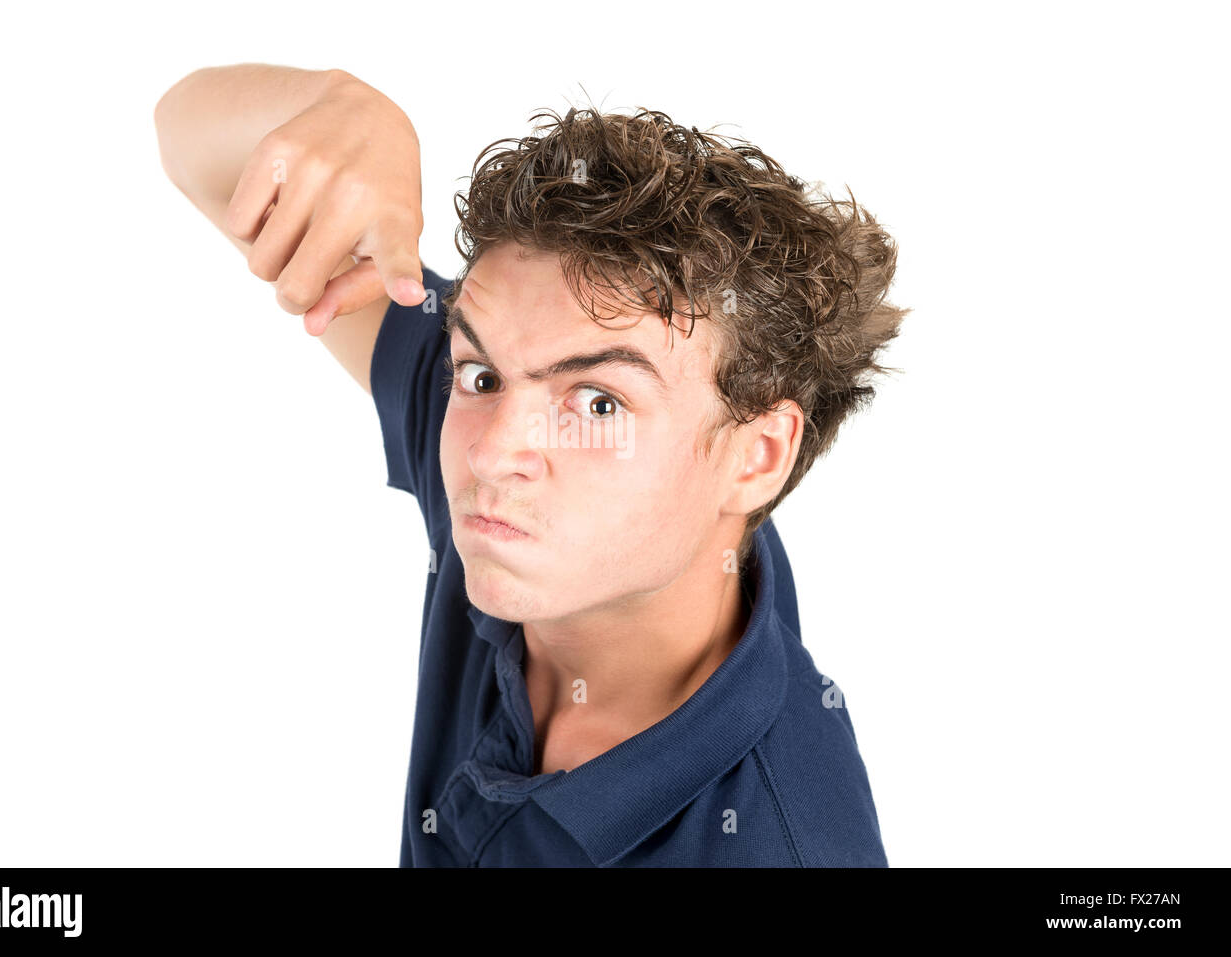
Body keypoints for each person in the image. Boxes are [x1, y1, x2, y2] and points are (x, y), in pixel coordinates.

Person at [154, 63, 908, 867]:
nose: (490, 451)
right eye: (480, 373)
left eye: (598, 403)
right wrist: (336, 107)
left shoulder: (782, 842)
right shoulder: (573, 507)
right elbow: (197, 147)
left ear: (756, 457)